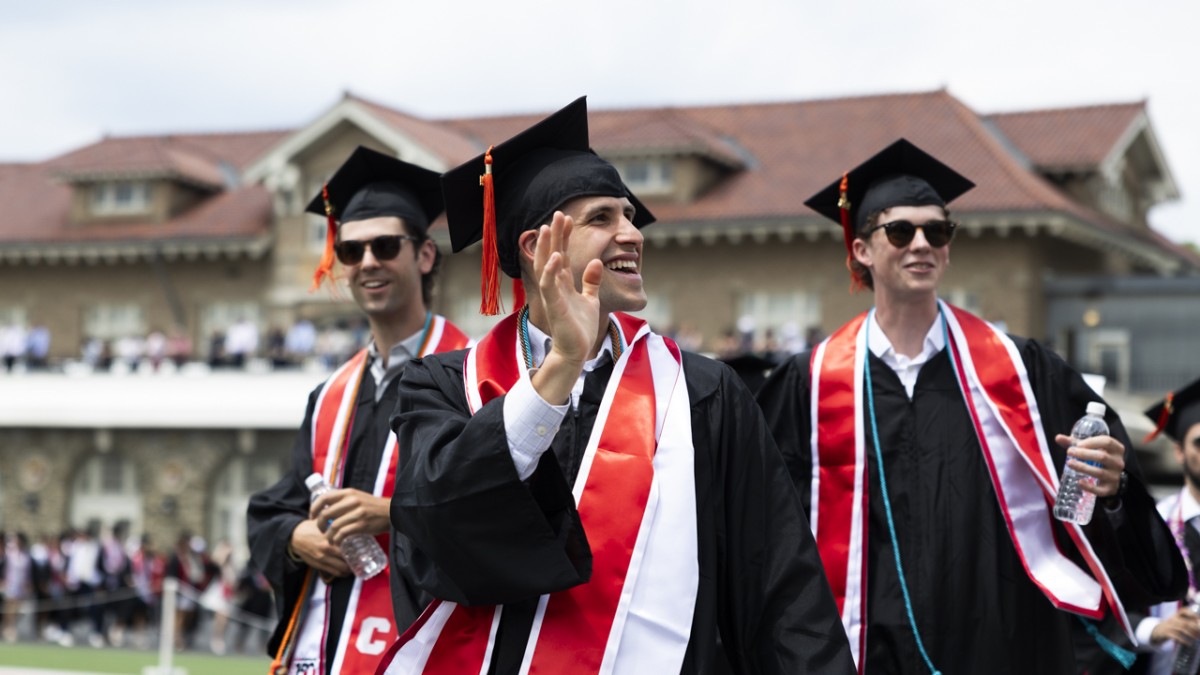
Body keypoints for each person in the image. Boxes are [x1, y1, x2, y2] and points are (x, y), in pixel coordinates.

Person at [379, 97, 853, 674]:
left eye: (629, 215)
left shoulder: (702, 394)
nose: (633, 234)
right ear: (535, 247)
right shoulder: (444, 387)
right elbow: (434, 538)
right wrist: (561, 366)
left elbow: (777, 584)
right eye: (602, 218)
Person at [755, 138, 1186, 674]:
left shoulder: (1022, 372)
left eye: (937, 231)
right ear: (861, 250)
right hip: (863, 648)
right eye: (900, 231)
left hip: (998, 642)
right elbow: (767, 524)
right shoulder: (811, 384)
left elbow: (1091, 509)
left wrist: (1113, 490)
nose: (921, 244)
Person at [247, 146, 471, 675]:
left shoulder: (474, 376)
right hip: (323, 648)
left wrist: (392, 513)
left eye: (385, 246)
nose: (367, 261)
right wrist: (295, 539)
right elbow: (280, 504)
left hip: (425, 648)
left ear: (425, 255)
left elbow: (494, 512)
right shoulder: (331, 394)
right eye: (351, 251)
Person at [1132, 377, 1200, 674]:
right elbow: (1111, 611)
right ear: (1179, 451)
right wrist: (1155, 629)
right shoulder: (1150, 525)